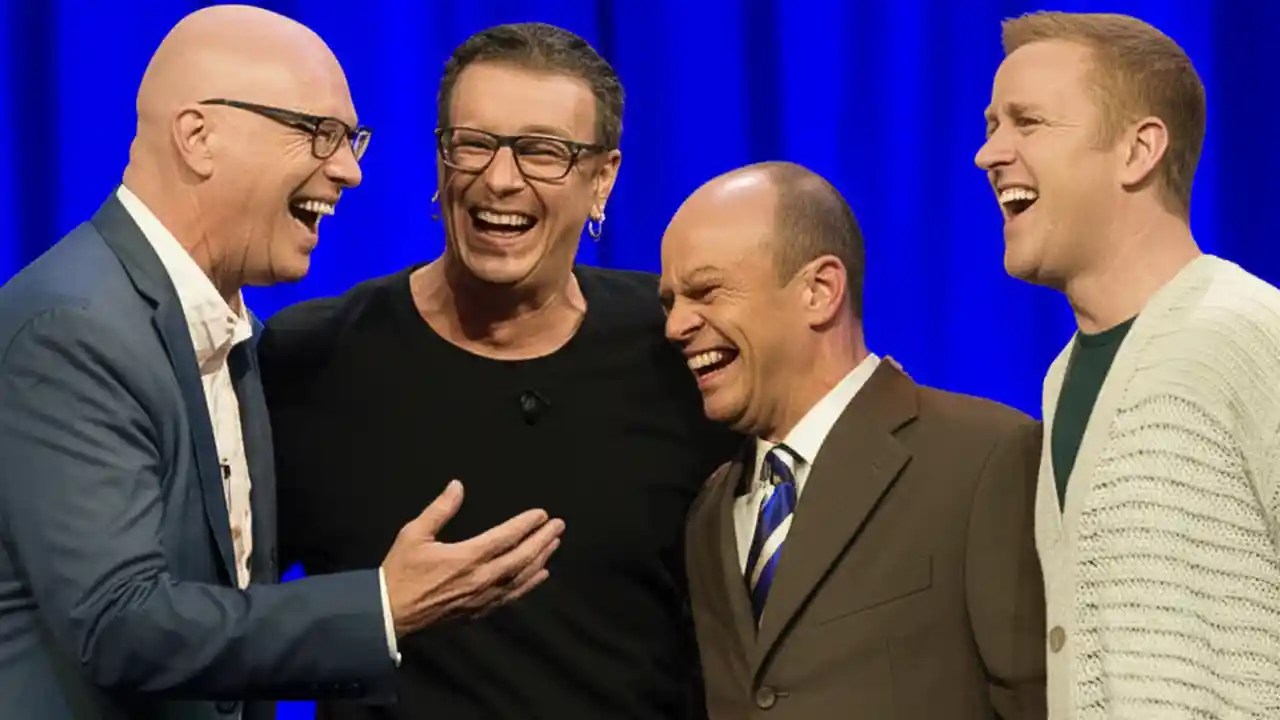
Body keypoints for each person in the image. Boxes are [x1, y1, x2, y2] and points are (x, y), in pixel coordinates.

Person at [0, 6, 562, 719]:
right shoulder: (74, 328)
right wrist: (382, 608)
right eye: (319, 133)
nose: (351, 171)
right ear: (199, 137)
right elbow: (120, 626)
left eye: (352, 138)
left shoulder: (232, 337)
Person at [258, 21, 737, 720]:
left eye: (543, 152)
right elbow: (232, 619)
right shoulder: (312, 355)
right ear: (440, 161)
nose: (500, 180)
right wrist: (379, 609)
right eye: (473, 145)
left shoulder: (678, 345)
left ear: (602, 178)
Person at [975, 10, 1280, 718]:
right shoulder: (1061, 379)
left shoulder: (1248, 337)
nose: (988, 153)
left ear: (1138, 150)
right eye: (992, 125)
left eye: (1027, 122)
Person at [661, 161, 1047, 719]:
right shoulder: (710, 513)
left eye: (706, 292)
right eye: (669, 301)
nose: (676, 327)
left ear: (819, 291)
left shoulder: (986, 458)